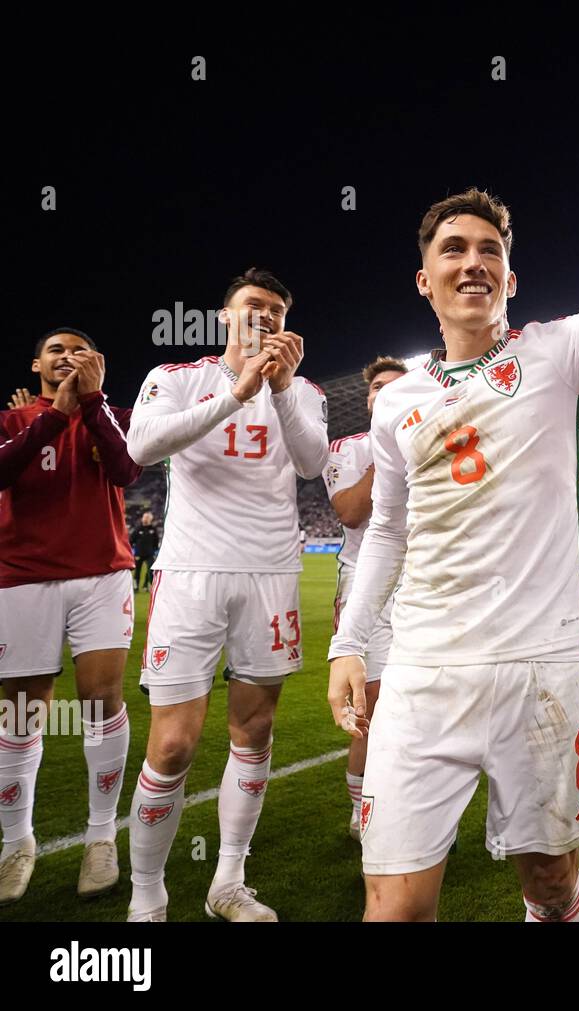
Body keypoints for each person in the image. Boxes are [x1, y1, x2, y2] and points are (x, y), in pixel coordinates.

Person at [327, 177, 579, 923]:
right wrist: (348, 643)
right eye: (453, 249)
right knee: (394, 906)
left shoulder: (557, 353)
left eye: (489, 250)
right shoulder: (398, 402)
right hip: (424, 670)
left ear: (510, 278)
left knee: (552, 882)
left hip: (540, 670)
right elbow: (389, 529)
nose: (473, 262)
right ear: (424, 279)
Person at [125, 268, 329, 921]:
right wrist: (237, 394)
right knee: (174, 743)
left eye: (276, 310)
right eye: (252, 308)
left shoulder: (305, 390)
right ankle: (148, 892)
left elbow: (311, 462)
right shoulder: (176, 376)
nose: (264, 319)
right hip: (192, 574)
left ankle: (227, 883)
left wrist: (282, 390)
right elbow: (142, 445)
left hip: (270, 576)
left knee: (255, 729)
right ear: (224, 317)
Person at [0, 328, 141, 905]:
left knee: (100, 700)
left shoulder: (111, 413)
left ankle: (101, 837)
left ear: (97, 364)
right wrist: (52, 417)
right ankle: (16, 843)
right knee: (20, 711)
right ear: (36, 363)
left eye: (79, 350)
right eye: (56, 350)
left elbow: (126, 470)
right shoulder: (11, 421)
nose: (67, 357)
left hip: (101, 573)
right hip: (21, 576)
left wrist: (92, 402)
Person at [323, 355, 408, 840]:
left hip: (426, 582)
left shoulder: (437, 436)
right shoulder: (348, 449)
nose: (386, 393)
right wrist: (389, 454)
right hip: (366, 581)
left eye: (399, 386)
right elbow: (351, 513)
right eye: (378, 387)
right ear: (369, 398)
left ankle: (413, 801)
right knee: (372, 705)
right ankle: (361, 811)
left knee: (426, 701)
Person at [130, 511, 160, 592]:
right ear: (142, 518)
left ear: (151, 519)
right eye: (144, 517)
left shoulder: (153, 530)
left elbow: (156, 542)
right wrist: (133, 551)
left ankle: (149, 586)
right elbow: (131, 541)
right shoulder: (138, 529)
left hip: (149, 554)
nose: (145, 519)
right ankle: (135, 588)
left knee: (151, 570)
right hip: (138, 555)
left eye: (147, 517)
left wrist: (154, 551)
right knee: (137, 572)